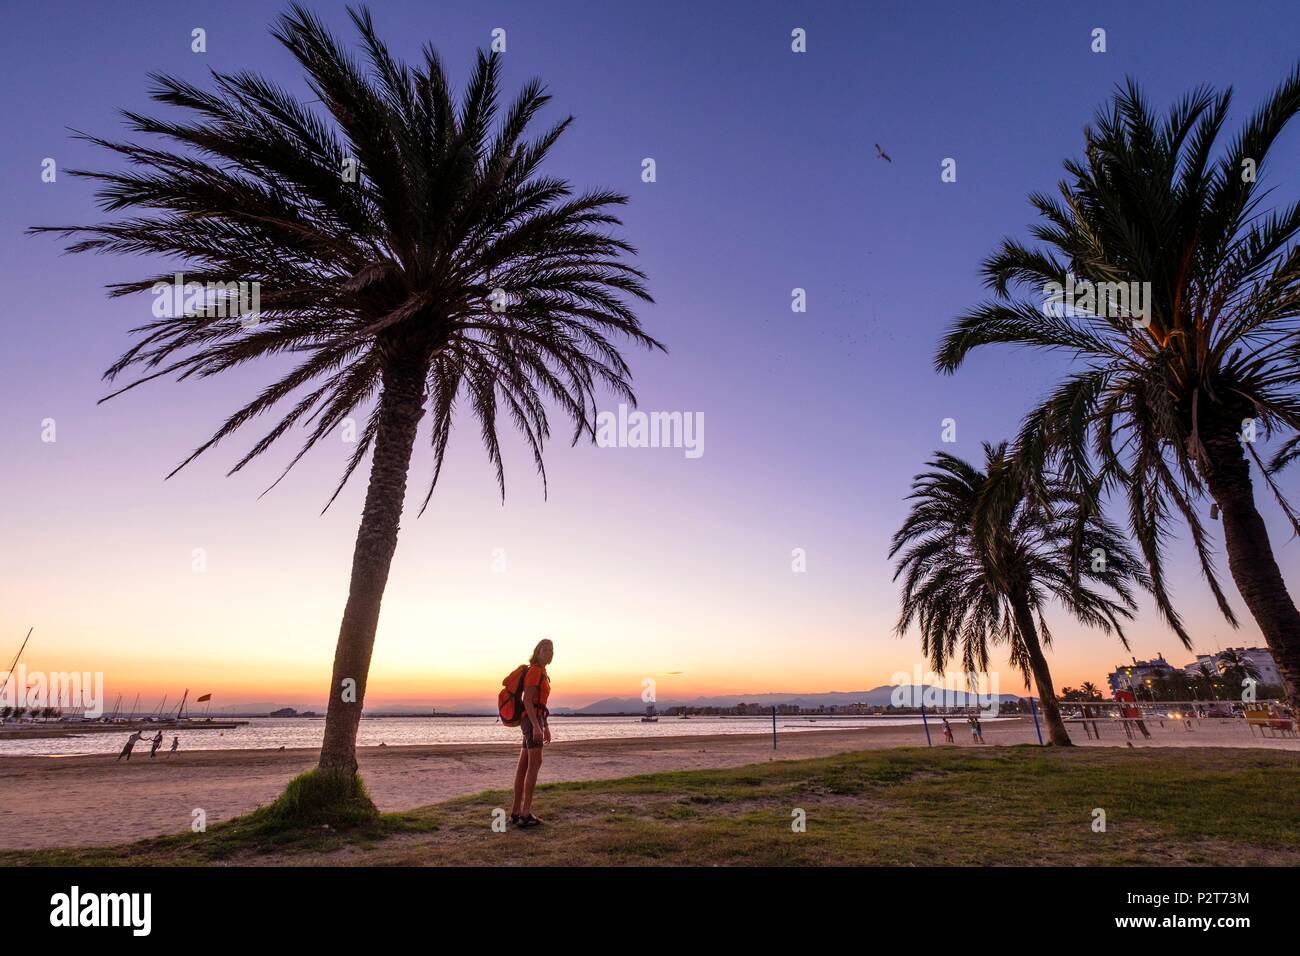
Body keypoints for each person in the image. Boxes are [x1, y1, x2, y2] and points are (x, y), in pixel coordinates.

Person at [510, 639, 553, 828]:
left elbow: (539, 703)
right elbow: (527, 700)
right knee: (534, 765)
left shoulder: (542, 672)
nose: (549, 652)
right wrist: (537, 726)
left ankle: (515, 812)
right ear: (537, 651)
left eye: (552, 650)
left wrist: (545, 725)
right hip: (531, 721)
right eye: (545, 649)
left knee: (524, 766)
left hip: (534, 720)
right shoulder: (535, 670)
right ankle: (525, 814)